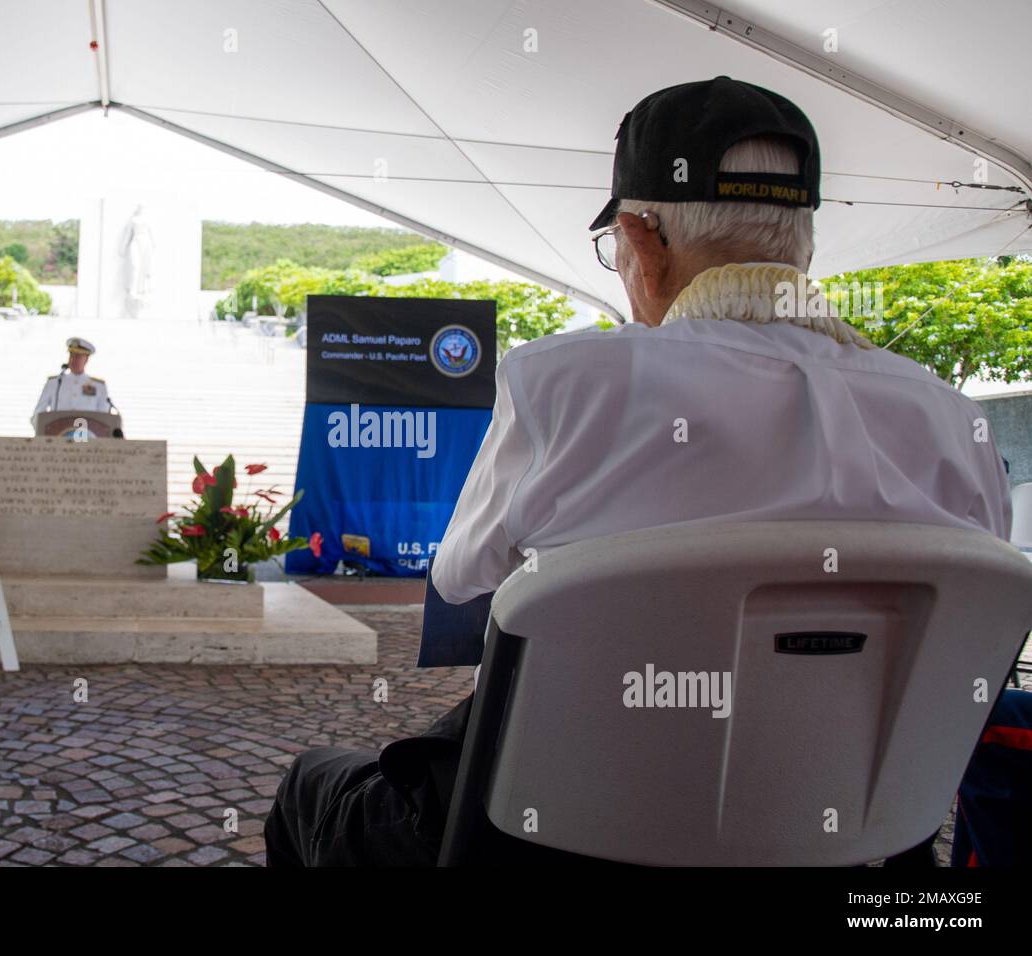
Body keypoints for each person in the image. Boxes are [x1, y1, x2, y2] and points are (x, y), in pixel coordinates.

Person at [263, 76, 1013, 867]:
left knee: (309, 788)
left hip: (556, 838)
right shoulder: (945, 417)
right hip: (856, 855)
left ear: (643, 241)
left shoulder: (564, 384)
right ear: (806, 243)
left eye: (614, 250)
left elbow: (460, 576)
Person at [31, 337, 116, 433]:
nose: (73, 359)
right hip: (57, 438)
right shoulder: (54, 383)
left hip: (88, 441)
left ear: (86, 359)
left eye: (78, 356)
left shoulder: (98, 386)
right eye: (71, 355)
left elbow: (104, 418)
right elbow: (38, 415)